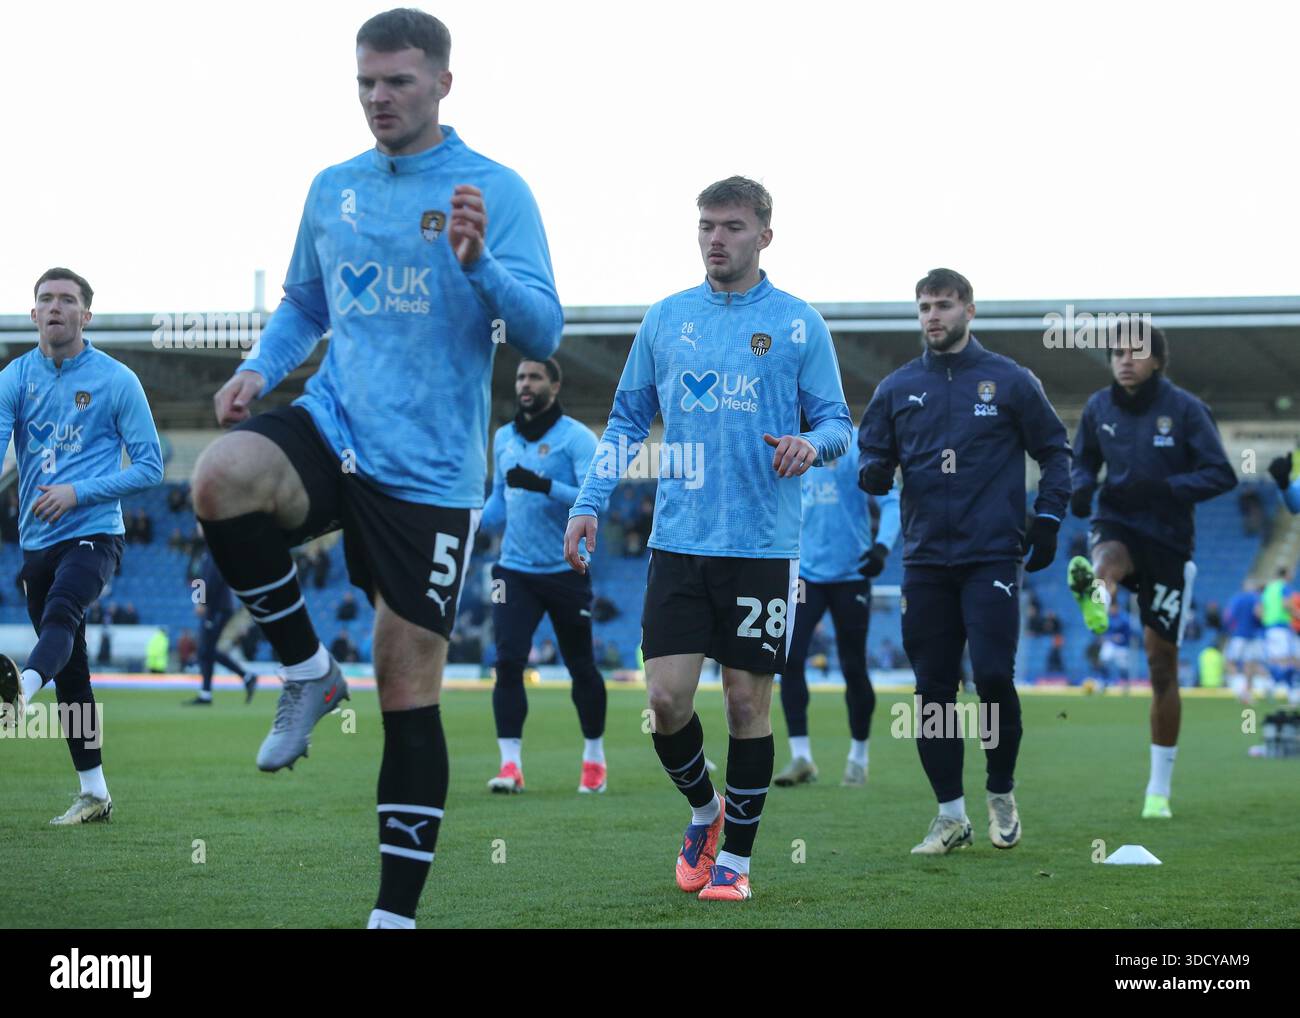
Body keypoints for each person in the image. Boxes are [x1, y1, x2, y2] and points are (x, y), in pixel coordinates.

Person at [188, 9, 562, 930]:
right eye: (365, 81)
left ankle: (394, 915)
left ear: (443, 82)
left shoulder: (495, 189)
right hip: (335, 422)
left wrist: (481, 269)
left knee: (406, 689)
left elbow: (545, 331)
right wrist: (256, 369)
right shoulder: (332, 187)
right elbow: (305, 303)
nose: (378, 98)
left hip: (430, 475)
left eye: (397, 81)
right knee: (219, 476)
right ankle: (309, 671)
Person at [565, 176, 853, 901]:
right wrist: (589, 500)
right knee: (665, 702)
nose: (715, 239)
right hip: (679, 543)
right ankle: (705, 811)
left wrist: (808, 447)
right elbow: (628, 423)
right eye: (705, 226)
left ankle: (738, 865)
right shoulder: (665, 320)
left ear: (764, 235)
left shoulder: (797, 324)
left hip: (762, 547)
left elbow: (840, 427)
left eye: (730, 226)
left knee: (746, 705)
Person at [858, 267, 1070, 854]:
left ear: (969, 311)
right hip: (925, 559)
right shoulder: (897, 388)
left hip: (991, 555)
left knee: (995, 677)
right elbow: (871, 458)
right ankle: (950, 816)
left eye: (944, 305)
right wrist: (873, 470)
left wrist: (1048, 519)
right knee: (933, 690)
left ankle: (1000, 790)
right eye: (924, 306)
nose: (933, 316)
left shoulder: (1009, 381)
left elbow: (1056, 452)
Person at [0, 267, 163, 825]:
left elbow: (151, 466)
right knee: (73, 672)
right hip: (35, 542)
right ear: (33, 314)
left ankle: (18, 688)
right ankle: (94, 792)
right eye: (45, 299)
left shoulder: (118, 381)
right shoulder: (15, 379)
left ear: (86, 316)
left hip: (95, 532)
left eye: (67, 300)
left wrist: (77, 492)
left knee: (64, 610)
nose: (55, 308)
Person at [1068, 328, 1237, 818]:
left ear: (1158, 362)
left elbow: (1221, 473)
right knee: (1107, 559)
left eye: (1135, 354)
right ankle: (1098, 593)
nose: (1124, 361)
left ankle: (1158, 789)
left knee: (1161, 664)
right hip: (1117, 521)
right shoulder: (1099, 408)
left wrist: (1164, 487)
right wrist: (1081, 486)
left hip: (1168, 538)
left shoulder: (1186, 410)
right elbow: (1084, 461)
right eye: (1117, 354)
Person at [477, 358, 607, 794]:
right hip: (513, 569)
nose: (525, 384)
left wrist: (544, 486)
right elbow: (499, 502)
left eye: (534, 377)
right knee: (508, 662)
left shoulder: (575, 437)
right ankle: (510, 766)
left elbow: (596, 497)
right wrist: (469, 523)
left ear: (555, 383)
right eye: (520, 377)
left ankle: (593, 757)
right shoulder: (504, 437)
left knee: (581, 666)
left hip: (566, 568)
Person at [773, 449, 899, 788]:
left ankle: (858, 758)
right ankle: (801, 757)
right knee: (790, 659)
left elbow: (891, 502)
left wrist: (882, 547)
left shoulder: (860, 447)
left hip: (852, 573)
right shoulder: (792, 446)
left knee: (853, 664)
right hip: (804, 575)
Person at [182, 548, 258, 706]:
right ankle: (208, 692)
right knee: (206, 651)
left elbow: (210, 578)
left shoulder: (212, 550)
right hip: (215, 607)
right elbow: (200, 579)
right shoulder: (206, 552)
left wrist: (201, 601)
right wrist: (198, 599)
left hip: (217, 608)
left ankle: (242, 678)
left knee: (206, 650)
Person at [1223, 581, 1266, 702]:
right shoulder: (1256, 598)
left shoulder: (1237, 598)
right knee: (1250, 664)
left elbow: (1228, 616)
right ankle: (1248, 692)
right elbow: (1259, 613)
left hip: (1239, 635)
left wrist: (1230, 629)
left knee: (1230, 662)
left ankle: (1238, 688)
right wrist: (1260, 625)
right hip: (1253, 635)